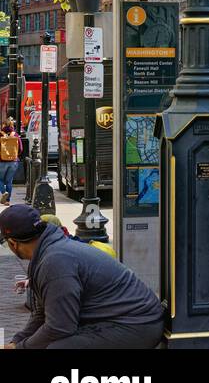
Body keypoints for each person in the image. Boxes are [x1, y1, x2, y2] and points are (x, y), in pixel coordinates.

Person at [0, 204, 164, 350]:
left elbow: (60, 327)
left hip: (138, 325)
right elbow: (44, 314)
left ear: (13, 243)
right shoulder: (50, 250)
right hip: (125, 320)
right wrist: (18, 341)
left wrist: (21, 347)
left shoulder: (55, 261)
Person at [0, 119, 23, 203]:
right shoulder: (15, 135)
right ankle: (8, 200)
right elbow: (20, 149)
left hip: (1, 161)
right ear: (12, 126)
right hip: (13, 161)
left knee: (0, 180)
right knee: (9, 181)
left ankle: (4, 193)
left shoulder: (0, 134)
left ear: (3, 125)